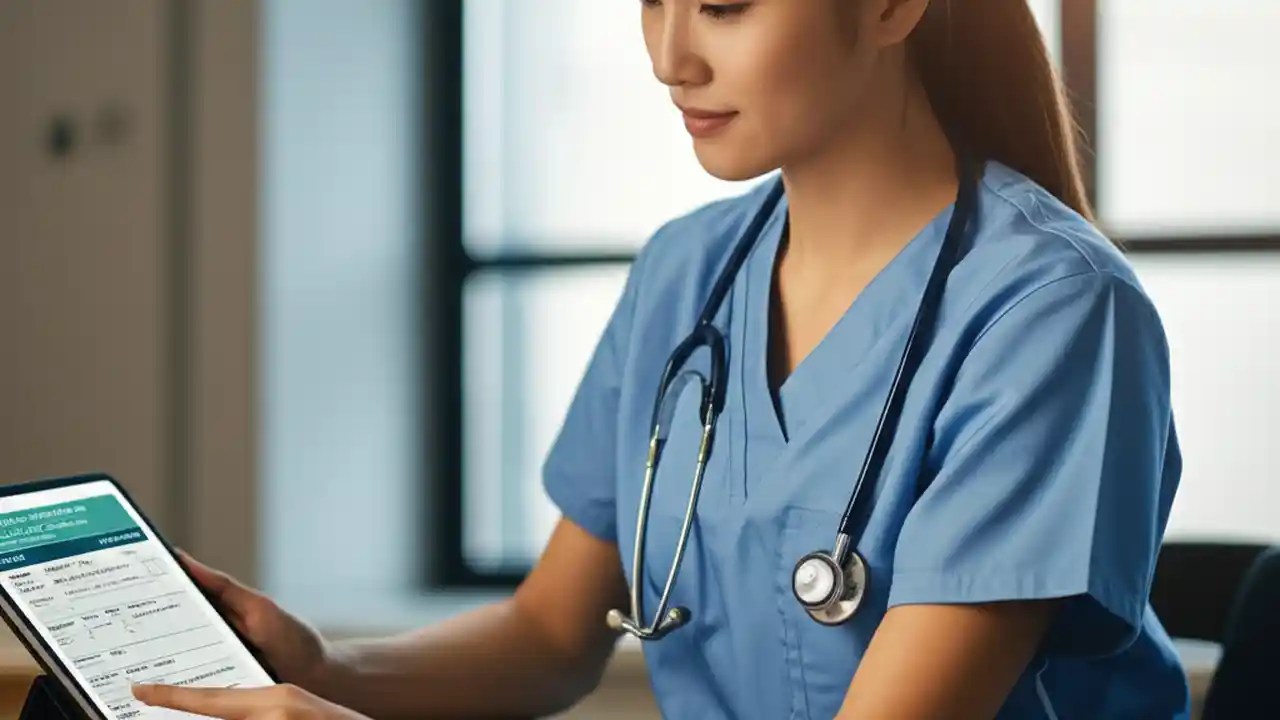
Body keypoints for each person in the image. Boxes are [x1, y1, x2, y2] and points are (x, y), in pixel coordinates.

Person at [133, 0, 1191, 717]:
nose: (667, 55)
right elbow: (551, 632)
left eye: (725, 3)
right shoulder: (687, 275)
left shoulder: (1049, 311)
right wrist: (324, 666)